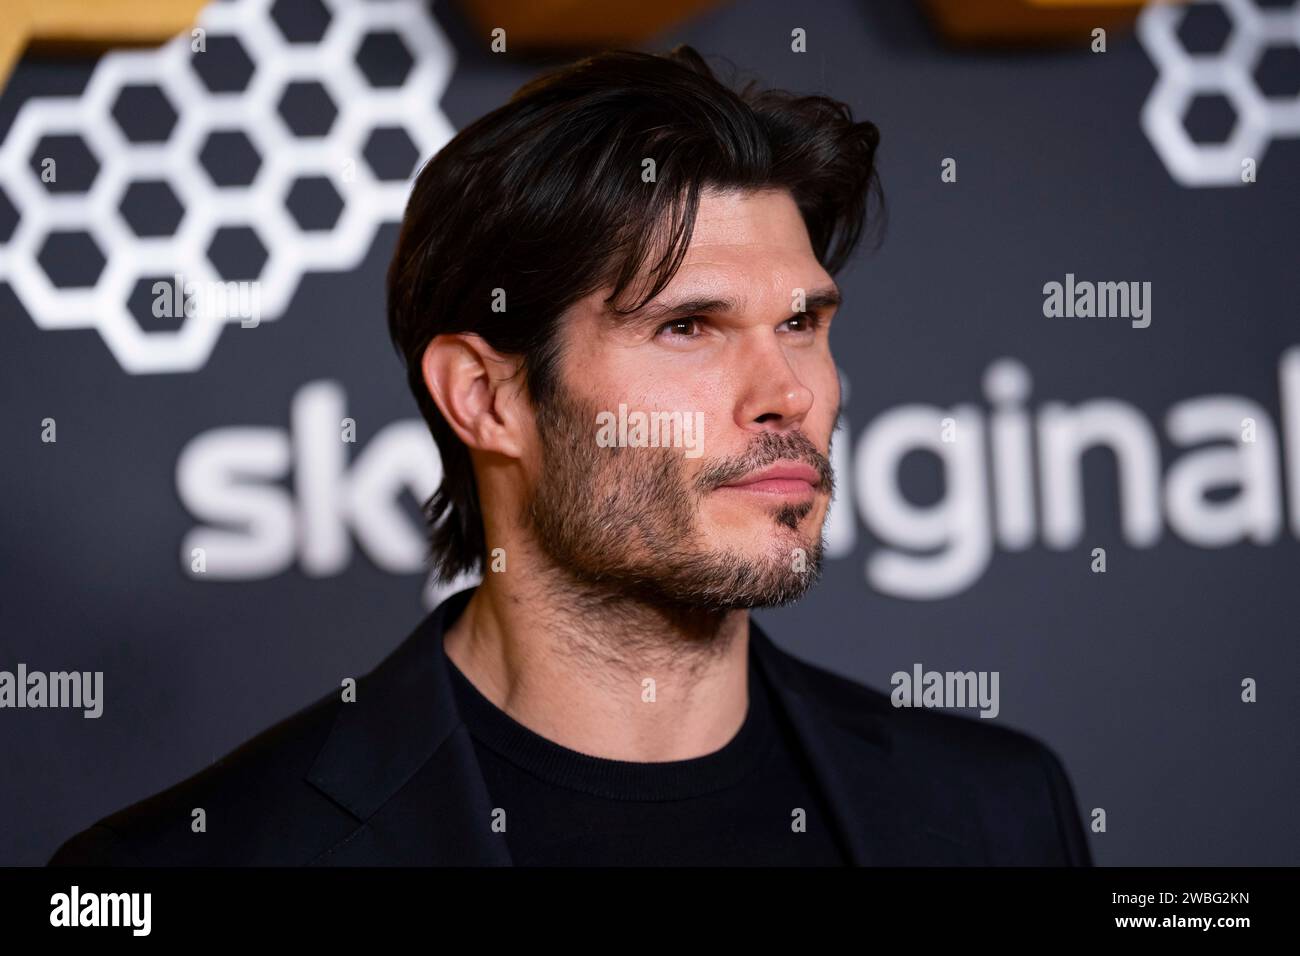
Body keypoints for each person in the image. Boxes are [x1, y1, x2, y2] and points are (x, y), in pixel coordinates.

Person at [49, 45, 1091, 867]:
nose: (789, 394)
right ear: (487, 395)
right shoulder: (190, 863)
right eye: (688, 327)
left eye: (803, 321)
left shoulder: (993, 810)